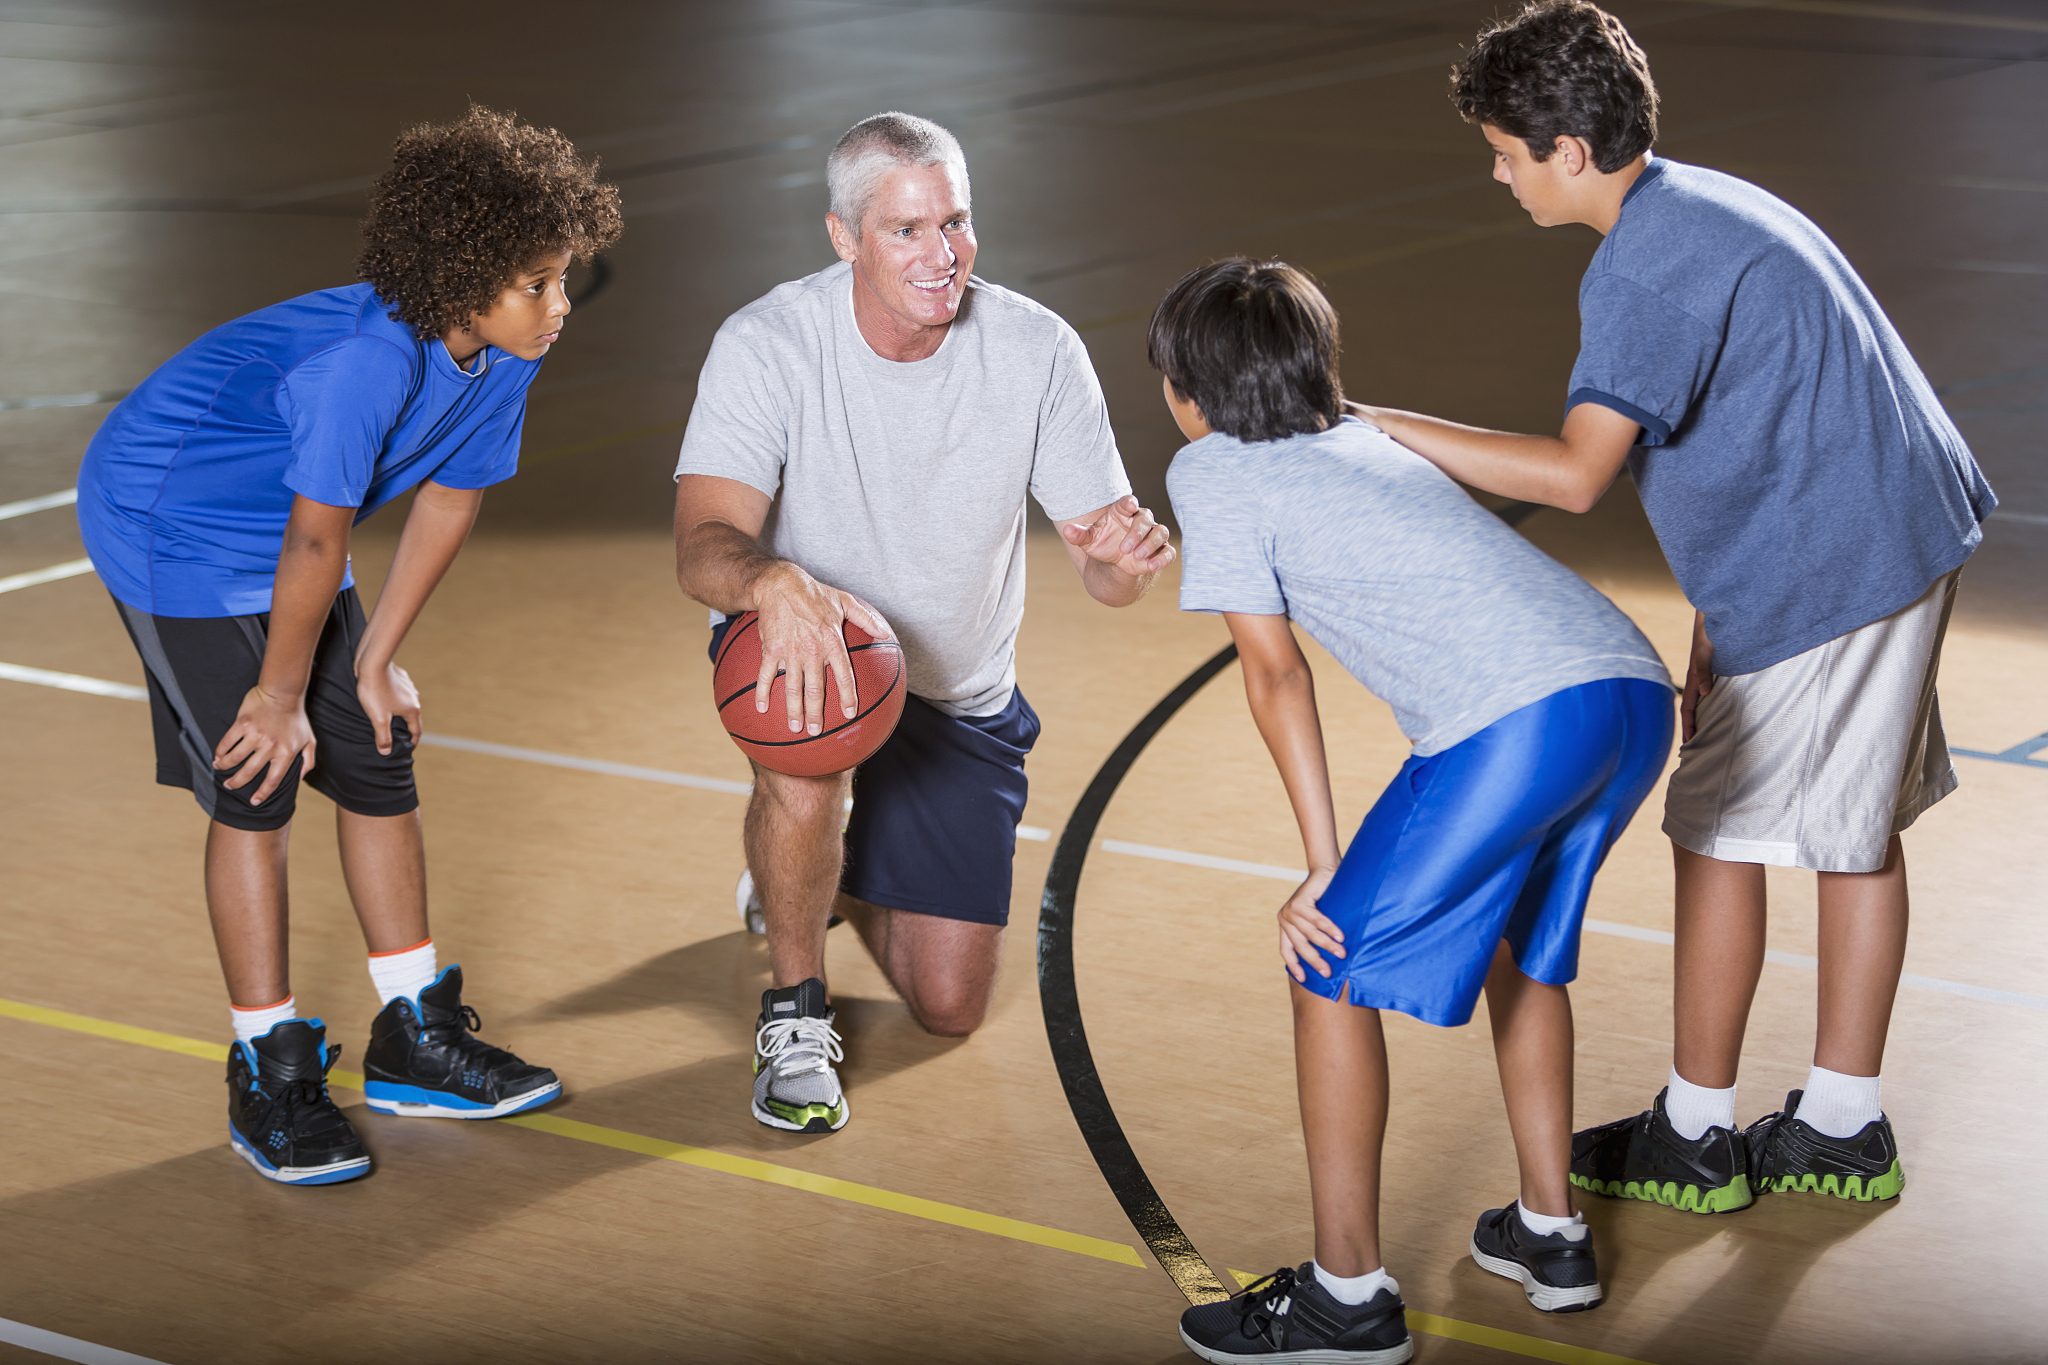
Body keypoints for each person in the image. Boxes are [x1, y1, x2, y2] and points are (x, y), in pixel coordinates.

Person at [1354, 0, 1996, 1214]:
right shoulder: (1700, 203)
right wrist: (1713, 627)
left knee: (1713, 835)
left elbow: (1575, 473)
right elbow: (1753, 438)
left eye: (1503, 152)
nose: (1497, 175)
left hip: (1841, 562)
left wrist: (1383, 424)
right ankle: (1838, 1119)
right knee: (1851, 832)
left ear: (1569, 153)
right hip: (1893, 532)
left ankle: (1698, 1135)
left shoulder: (1642, 268)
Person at [76, 107, 623, 1185]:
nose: (561, 305)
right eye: (538, 284)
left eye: (563, 278)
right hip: (171, 518)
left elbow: (447, 505)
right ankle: (266, 1066)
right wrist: (280, 697)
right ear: (464, 278)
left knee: (377, 749)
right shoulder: (362, 365)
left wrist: (374, 660)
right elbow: (317, 534)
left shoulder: (503, 347)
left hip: (282, 529)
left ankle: (413, 1040)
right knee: (260, 777)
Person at [1156, 259, 1673, 1363]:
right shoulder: (1366, 436)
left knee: (1324, 962)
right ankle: (1550, 1234)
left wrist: (1319, 863)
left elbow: (1271, 673)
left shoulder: (1210, 471)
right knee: (1520, 958)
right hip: (1625, 688)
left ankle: (1345, 1298)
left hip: (1518, 721)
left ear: (1187, 391)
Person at [672, 111, 1173, 1136]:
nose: (942, 255)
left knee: (946, 1006)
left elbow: (1103, 577)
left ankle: (807, 868)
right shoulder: (767, 344)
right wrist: (771, 581)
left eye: (956, 222)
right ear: (844, 237)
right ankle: (796, 1010)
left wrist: (1120, 567)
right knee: (801, 758)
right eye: (906, 230)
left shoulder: (1036, 351)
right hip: (813, 643)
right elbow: (702, 547)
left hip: (960, 688)